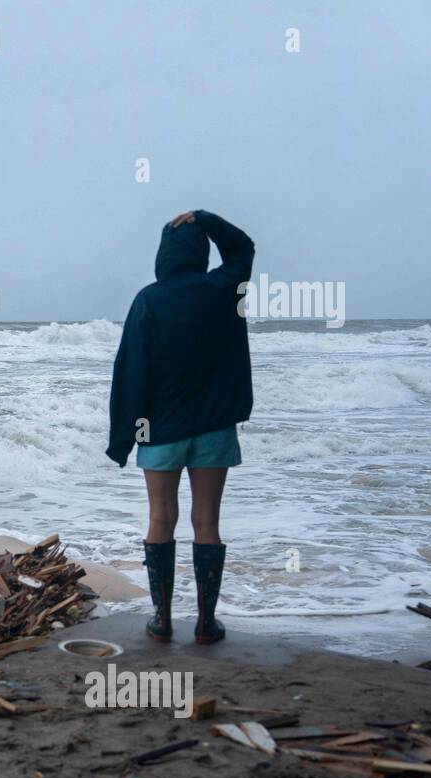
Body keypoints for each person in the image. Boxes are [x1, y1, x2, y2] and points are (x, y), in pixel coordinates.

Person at [105, 210, 255, 644]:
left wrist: (123, 438)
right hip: (213, 428)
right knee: (206, 520)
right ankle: (206, 624)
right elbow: (244, 248)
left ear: (163, 253)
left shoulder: (149, 300)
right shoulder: (223, 289)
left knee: (161, 518)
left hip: (160, 430)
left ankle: (162, 620)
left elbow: (129, 371)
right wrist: (208, 219)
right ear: (201, 252)